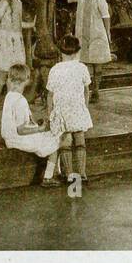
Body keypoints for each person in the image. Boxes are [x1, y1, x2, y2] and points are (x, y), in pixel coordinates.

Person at [0, 63, 61, 187]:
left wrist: (35, 124)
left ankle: (53, 171)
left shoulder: (9, 96)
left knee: (48, 135)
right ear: (27, 79)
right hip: (18, 139)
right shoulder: (20, 101)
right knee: (56, 139)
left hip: (9, 137)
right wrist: (40, 129)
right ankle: (49, 177)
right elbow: (21, 130)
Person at [47, 34, 93, 186]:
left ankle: (69, 175)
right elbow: (86, 90)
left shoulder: (54, 69)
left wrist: (50, 112)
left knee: (65, 141)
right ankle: (82, 174)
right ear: (77, 51)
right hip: (77, 108)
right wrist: (84, 107)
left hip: (62, 109)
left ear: (60, 52)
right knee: (80, 140)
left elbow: (50, 94)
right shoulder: (82, 68)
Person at [70, 0, 112, 103]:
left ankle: (96, 91)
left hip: (97, 36)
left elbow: (106, 17)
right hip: (83, 35)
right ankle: (86, 90)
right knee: (85, 63)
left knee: (97, 64)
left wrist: (108, 34)